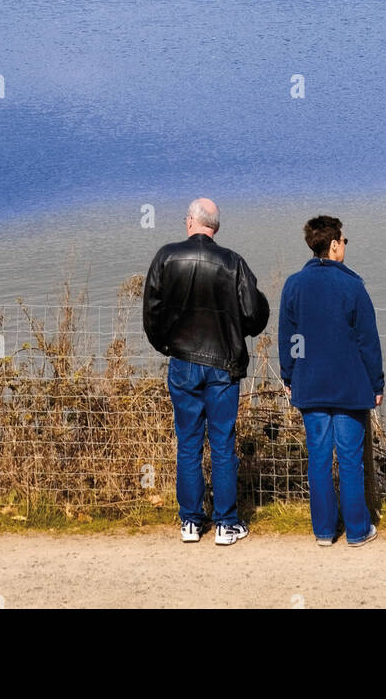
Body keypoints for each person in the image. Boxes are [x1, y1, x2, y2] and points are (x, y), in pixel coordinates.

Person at [143, 198, 269, 546]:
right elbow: (254, 315)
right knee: (223, 444)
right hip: (223, 365)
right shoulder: (233, 263)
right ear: (215, 227)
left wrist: (167, 345)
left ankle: (190, 522)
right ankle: (227, 524)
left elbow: (151, 313)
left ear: (189, 222)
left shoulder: (166, 257)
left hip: (182, 361)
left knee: (188, 444)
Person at [278, 215, 384, 547]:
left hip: (310, 383)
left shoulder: (294, 285)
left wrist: (289, 372)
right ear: (334, 244)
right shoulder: (353, 286)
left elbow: (291, 337)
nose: (345, 247)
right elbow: (367, 341)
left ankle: (324, 531)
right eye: (344, 242)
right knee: (351, 459)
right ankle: (357, 530)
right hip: (350, 386)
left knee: (319, 458)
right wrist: (376, 384)